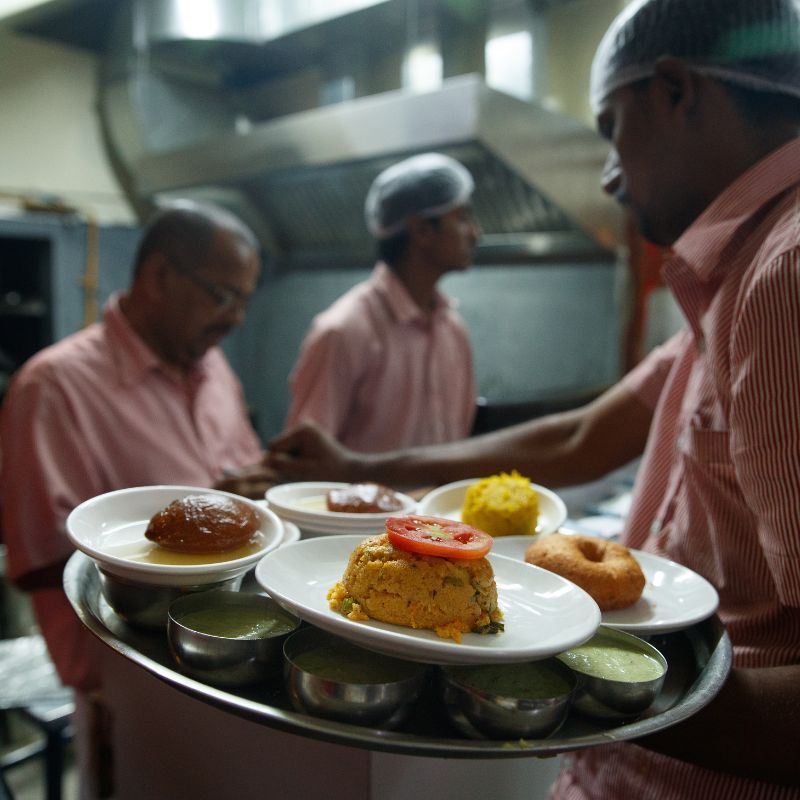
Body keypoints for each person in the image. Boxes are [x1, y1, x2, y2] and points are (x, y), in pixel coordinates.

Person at [268, 0, 800, 795]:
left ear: (676, 91)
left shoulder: (783, 276)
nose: (611, 175)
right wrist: (358, 464)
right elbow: (580, 437)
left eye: (613, 128)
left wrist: (565, 666)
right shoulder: (726, 286)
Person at [0, 200, 274, 797]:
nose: (236, 318)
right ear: (158, 277)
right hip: (131, 685)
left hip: (221, 659)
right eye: (223, 296)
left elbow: (241, 477)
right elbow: (36, 561)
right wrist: (160, 552)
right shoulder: (56, 388)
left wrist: (252, 491)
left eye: (245, 301)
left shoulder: (212, 367)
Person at [283, 152, 480, 451]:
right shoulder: (344, 331)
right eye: (463, 218)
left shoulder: (452, 329)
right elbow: (304, 463)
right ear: (422, 231)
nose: (476, 234)